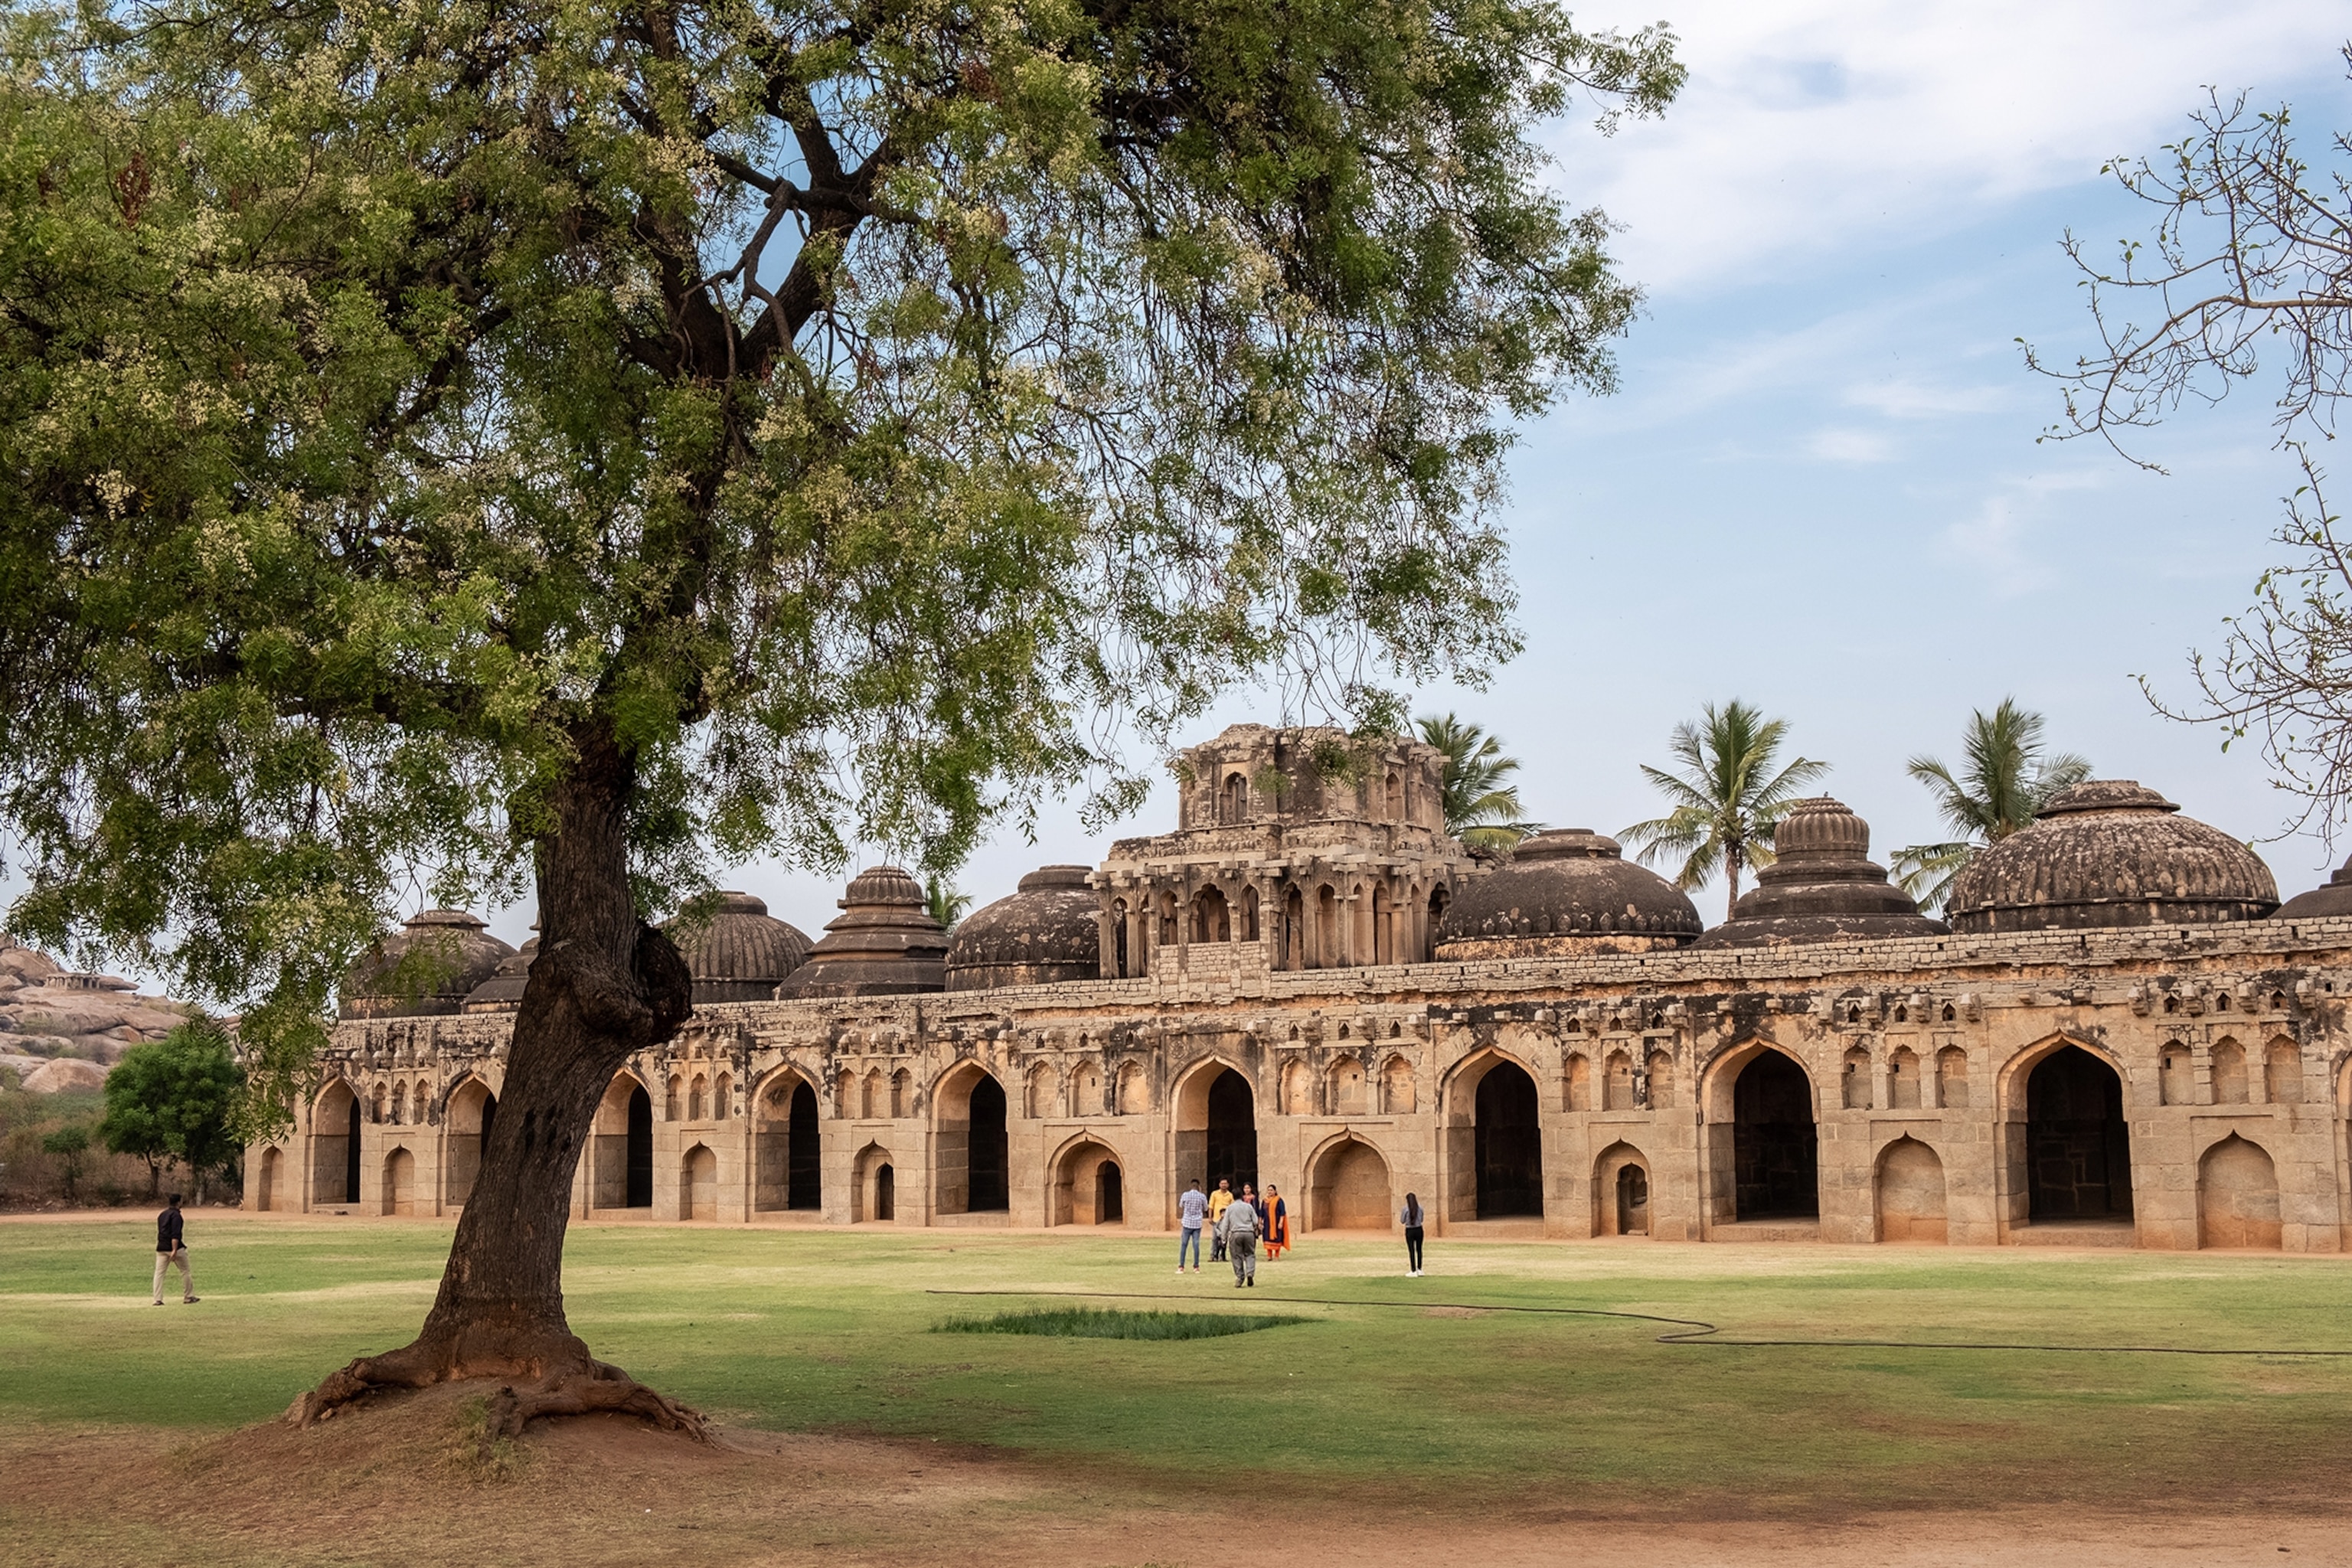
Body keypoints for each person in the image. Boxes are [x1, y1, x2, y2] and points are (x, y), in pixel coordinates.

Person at [152, 1194, 198, 1305]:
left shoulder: (162, 1214)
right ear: (178, 1202)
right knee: (185, 1271)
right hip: (175, 1248)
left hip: (161, 1247)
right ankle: (188, 1296)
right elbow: (175, 1234)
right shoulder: (177, 1216)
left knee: (159, 1273)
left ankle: (157, 1299)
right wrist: (174, 1250)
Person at [1217, 1188, 1260, 1288]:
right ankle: (1250, 1273)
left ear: (1233, 1197)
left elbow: (1225, 1224)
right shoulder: (1248, 1206)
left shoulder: (1230, 1208)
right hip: (1249, 1233)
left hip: (1235, 1233)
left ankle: (1240, 1277)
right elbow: (1256, 1221)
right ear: (1242, 1196)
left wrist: (1223, 1238)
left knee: (1236, 1256)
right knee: (1250, 1254)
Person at [1177, 1179, 1207, 1272]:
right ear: (1199, 1186)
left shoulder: (1185, 1195)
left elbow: (1181, 1205)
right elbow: (1206, 1208)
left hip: (1187, 1222)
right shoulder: (1202, 1196)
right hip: (1197, 1223)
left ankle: (1181, 1266)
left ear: (1191, 1186)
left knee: (1184, 1245)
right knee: (1196, 1245)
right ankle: (1196, 1266)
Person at [1207, 1178, 1233, 1263]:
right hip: (1216, 1219)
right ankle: (1213, 1255)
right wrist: (1210, 1217)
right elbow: (1211, 1206)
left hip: (1226, 1221)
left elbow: (1232, 1207)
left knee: (1224, 1239)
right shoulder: (1214, 1194)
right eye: (1222, 1183)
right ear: (1219, 1185)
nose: (1223, 1185)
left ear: (1228, 1185)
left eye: (1225, 1184)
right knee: (1215, 1239)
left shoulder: (1230, 1195)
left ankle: (1223, 1256)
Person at [1400, 1191, 1425, 1277]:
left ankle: (1413, 1270)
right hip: (1419, 1229)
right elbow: (1421, 1220)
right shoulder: (1420, 1208)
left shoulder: (1405, 1209)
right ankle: (1420, 1269)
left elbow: (1402, 1221)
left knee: (1411, 1250)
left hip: (1410, 1230)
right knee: (1419, 1249)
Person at [1262, 1184, 1289, 1260]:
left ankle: (1277, 1255)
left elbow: (1282, 1212)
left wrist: (1281, 1222)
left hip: (1276, 1222)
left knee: (1277, 1238)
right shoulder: (1265, 1201)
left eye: (1271, 1190)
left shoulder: (1279, 1200)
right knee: (1267, 1238)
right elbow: (1262, 1212)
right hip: (1267, 1223)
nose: (1270, 1192)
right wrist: (1260, 1222)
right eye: (1268, 1190)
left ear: (1275, 1191)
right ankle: (1269, 1255)